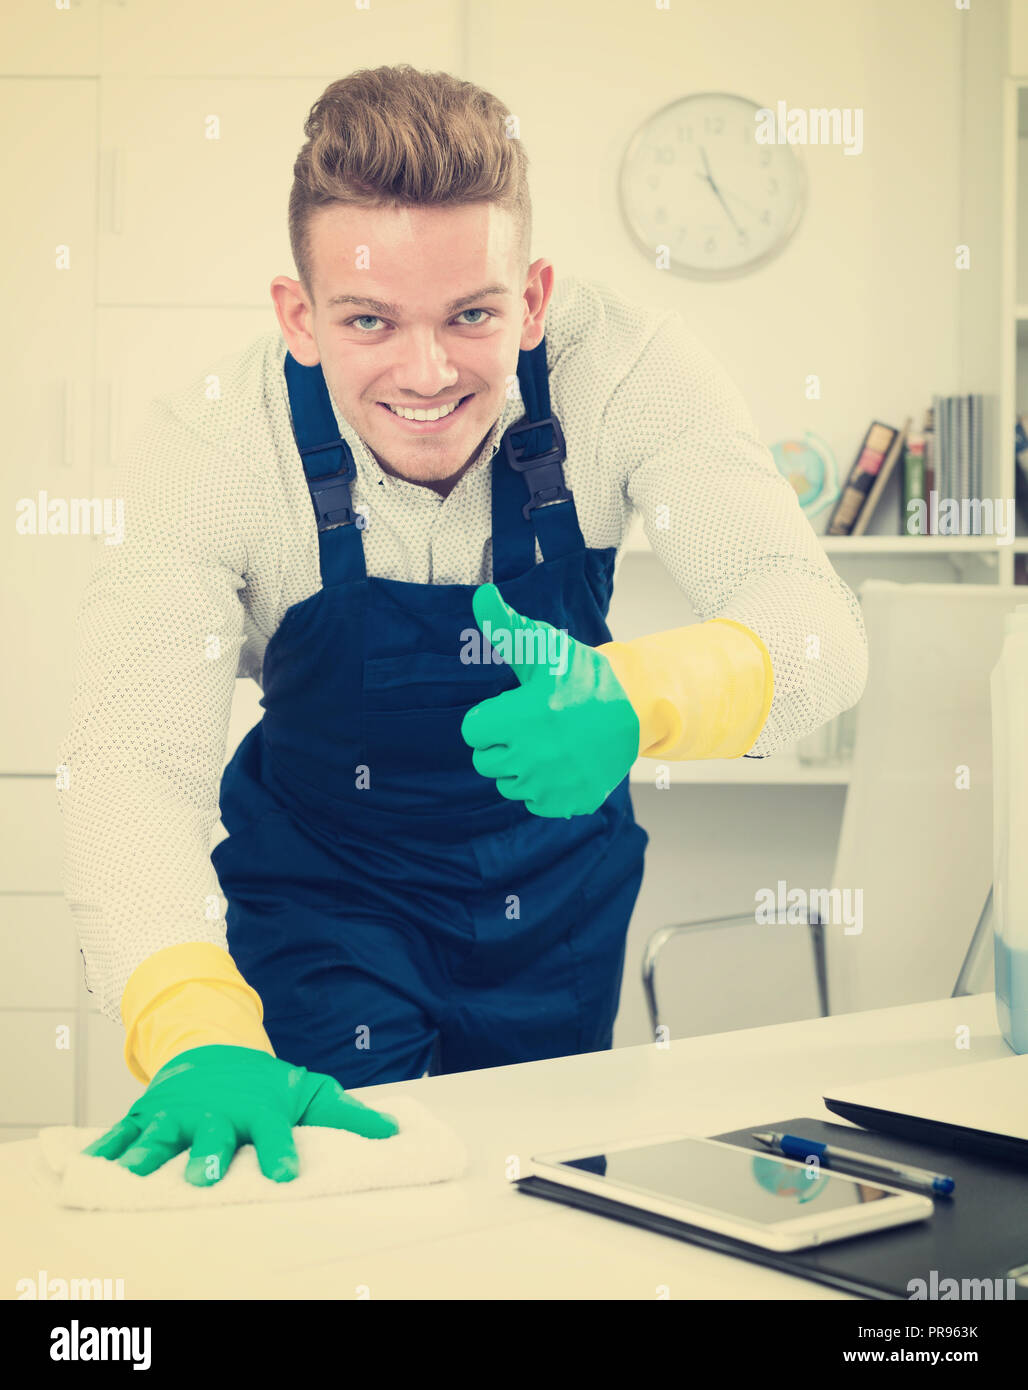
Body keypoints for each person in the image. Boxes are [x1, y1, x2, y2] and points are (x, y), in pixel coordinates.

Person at [57, 65, 868, 1186]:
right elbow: (130, 765)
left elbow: (817, 627)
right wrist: (190, 1018)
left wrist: (642, 696)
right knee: (349, 1219)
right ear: (300, 316)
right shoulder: (214, 449)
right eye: (369, 320)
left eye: (472, 315)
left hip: (555, 914)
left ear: (532, 299)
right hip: (322, 907)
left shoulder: (626, 371)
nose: (426, 372)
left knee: (531, 1208)